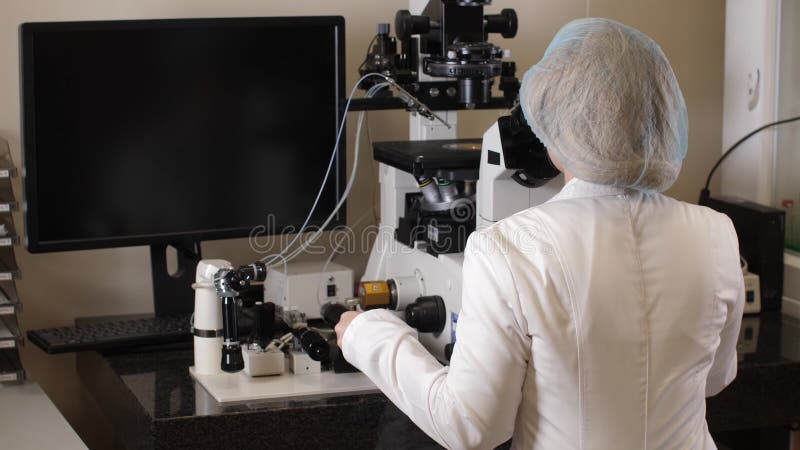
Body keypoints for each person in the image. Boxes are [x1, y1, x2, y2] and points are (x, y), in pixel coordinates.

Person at [335, 18, 745, 450]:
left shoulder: (508, 248)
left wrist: (370, 336)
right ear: (662, 119)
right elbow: (715, 378)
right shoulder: (715, 233)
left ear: (551, 128)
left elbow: (471, 427)